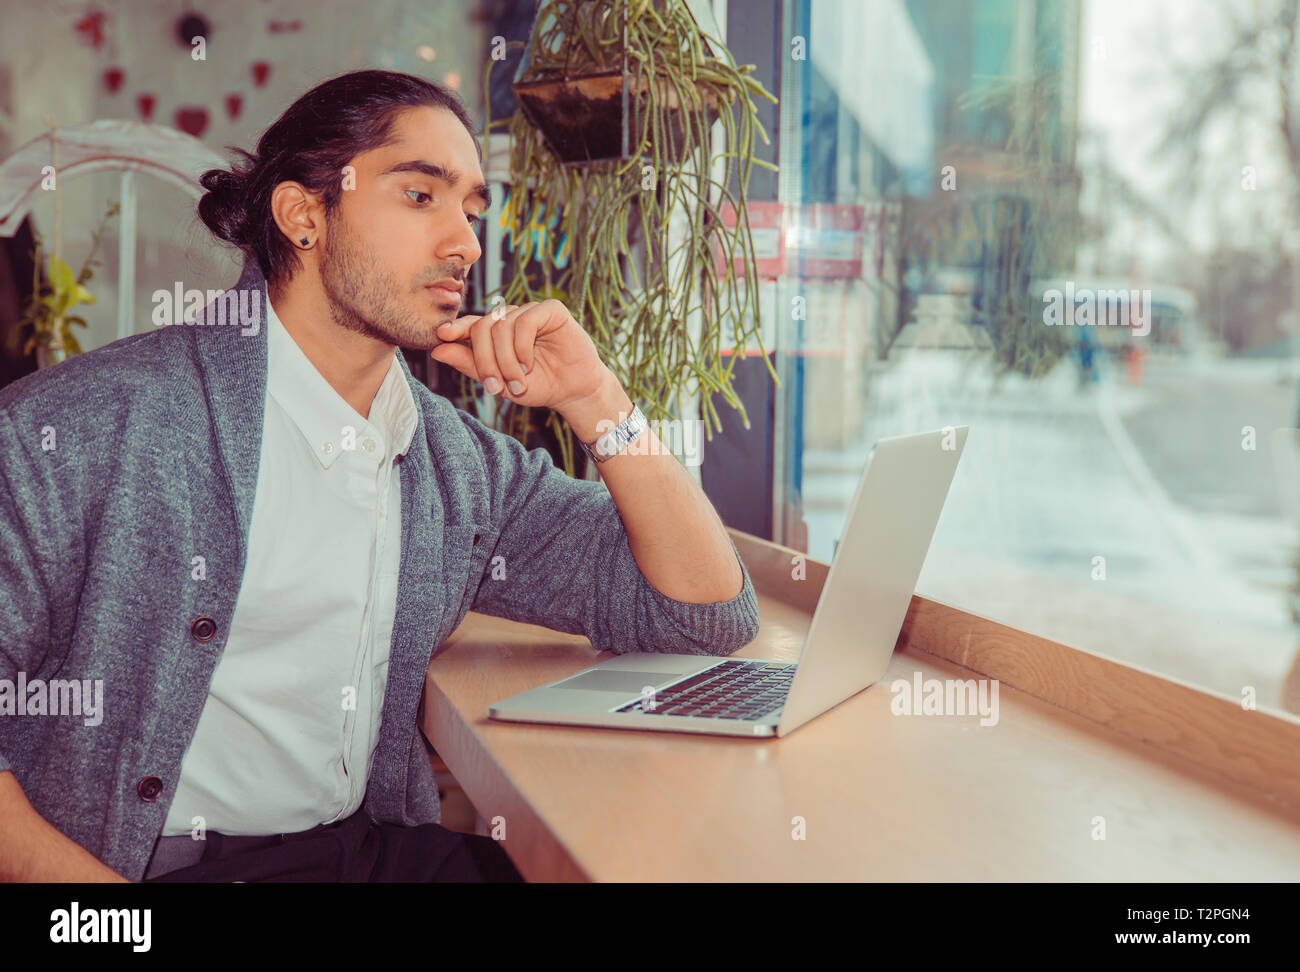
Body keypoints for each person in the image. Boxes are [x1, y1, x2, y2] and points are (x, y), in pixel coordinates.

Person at [0, 70, 760, 883]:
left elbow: (703, 613)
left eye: (471, 209)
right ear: (303, 216)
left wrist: (596, 396)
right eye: (420, 196)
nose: (466, 243)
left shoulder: (451, 461)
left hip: (362, 848)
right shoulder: (80, 429)